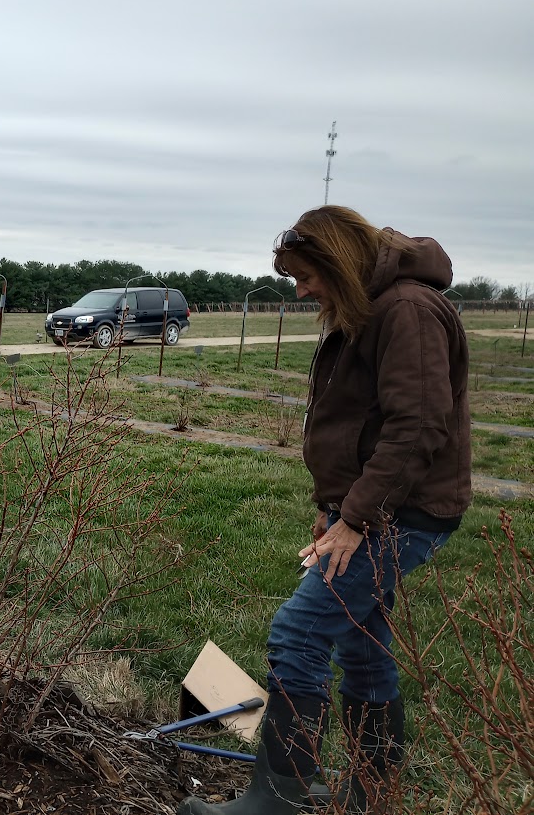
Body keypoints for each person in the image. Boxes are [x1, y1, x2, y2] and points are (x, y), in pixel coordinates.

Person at [179, 206, 470, 815]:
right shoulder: (373, 307)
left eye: (307, 276)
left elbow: (415, 428)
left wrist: (357, 517)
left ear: (339, 263)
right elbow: (356, 424)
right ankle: (370, 794)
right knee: (362, 643)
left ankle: (274, 800)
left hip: (405, 512)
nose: (301, 290)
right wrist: (335, 507)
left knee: (299, 631)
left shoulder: (407, 311)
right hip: (378, 506)